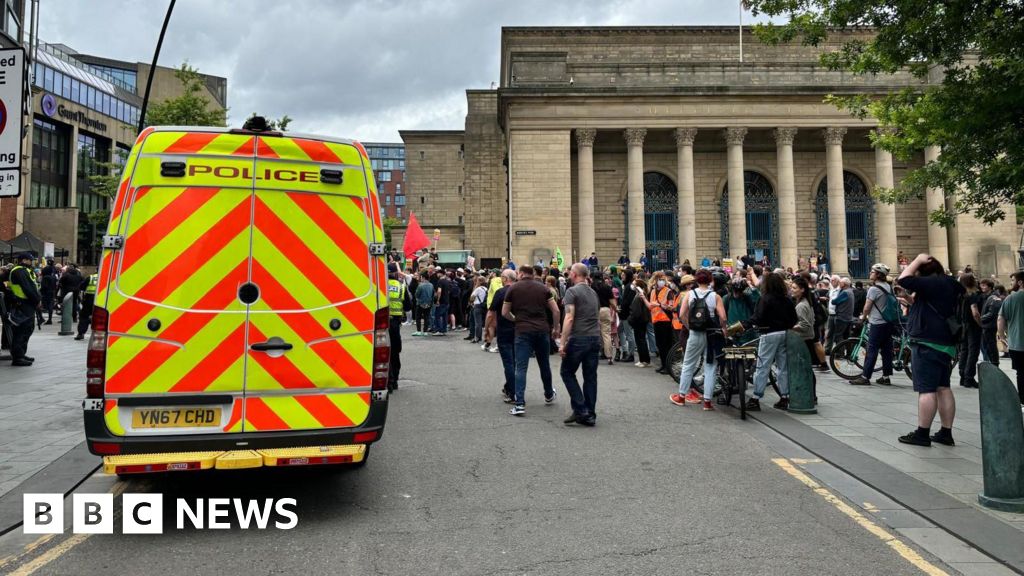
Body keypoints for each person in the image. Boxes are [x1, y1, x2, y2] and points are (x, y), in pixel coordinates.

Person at [898, 254, 964, 446]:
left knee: (926, 389)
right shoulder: (951, 283)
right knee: (943, 387)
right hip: (946, 343)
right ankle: (946, 432)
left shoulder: (931, 282)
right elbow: (936, 305)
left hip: (927, 342)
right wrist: (910, 300)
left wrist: (917, 260)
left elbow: (903, 279)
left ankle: (922, 433)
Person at [503, 265, 560, 416]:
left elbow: (505, 312)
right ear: (533, 274)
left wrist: (516, 320)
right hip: (542, 330)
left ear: (521, 274)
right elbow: (556, 310)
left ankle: (520, 403)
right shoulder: (543, 288)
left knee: (521, 368)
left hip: (523, 330)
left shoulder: (513, 289)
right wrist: (555, 328)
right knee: (544, 364)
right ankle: (548, 393)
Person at [737, 272, 797, 411]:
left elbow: (758, 317)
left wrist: (744, 325)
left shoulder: (765, 299)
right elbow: (794, 318)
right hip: (785, 333)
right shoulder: (786, 299)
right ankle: (784, 397)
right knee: (783, 367)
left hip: (769, 334)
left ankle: (756, 398)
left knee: (762, 366)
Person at [670, 269, 727, 410]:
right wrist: (722, 329)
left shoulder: (690, 294)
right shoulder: (715, 296)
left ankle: (681, 396)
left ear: (696, 280)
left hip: (695, 333)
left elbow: (682, 314)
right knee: (711, 366)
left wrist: (690, 327)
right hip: (712, 334)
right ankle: (707, 401)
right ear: (710, 281)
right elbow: (723, 317)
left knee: (689, 363)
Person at [559, 263, 601, 426]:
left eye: (570, 273)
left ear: (575, 275)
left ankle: (581, 409)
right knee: (590, 377)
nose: (569, 275)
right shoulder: (593, 293)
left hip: (579, 338)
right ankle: (588, 413)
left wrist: (562, 343)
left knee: (567, 372)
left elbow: (569, 318)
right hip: (594, 337)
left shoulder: (572, 291)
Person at [850, 264, 896, 386]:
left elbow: (867, 307)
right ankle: (886, 377)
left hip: (877, 323)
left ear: (878, 275)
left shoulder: (874, 289)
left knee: (872, 349)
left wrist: (863, 318)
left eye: (872, 272)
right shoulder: (888, 286)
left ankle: (865, 377)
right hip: (888, 322)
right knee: (886, 350)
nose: (870, 273)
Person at [488, 269, 518, 403]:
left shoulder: (501, 292)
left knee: (508, 363)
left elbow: (491, 313)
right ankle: (509, 387)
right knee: (516, 362)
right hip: (519, 330)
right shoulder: (520, 291)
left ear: (505, 279)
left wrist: (487, 330)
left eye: (502, 278)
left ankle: (512, 391)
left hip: (505, 330)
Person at [5, 253, 40, 366]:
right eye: (31, 260)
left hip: (26, 304)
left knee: (27, 329)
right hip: (23, 303)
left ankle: (21, 354)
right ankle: (17, 357)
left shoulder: (24, 271)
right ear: (24, 260)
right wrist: (37, 300)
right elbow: (28, 288)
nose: (32, 262)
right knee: (21, 331)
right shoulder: (20, 271)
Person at [998, 271, 1024, 410]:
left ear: (1020, 282)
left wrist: (1002, 338)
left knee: (1021, 373)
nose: (1011, 283)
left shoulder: (1011, 299)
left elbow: (1000, 319)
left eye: (1012, 280)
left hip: (1018, 343)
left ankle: (1023, 401)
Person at [386, 263, 411, 391]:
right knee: (395, 352)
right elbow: (408, 307)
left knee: (383, 353)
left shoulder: (379, 286)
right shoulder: (401, 287)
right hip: (395, 324)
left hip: (381, 323)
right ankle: (394, 380)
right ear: (396, 273)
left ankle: (387, 382)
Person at [957, 273, 984, 389]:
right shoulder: (972, 294)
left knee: (964, 350)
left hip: (963, 325)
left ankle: (963, 376)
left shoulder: (960, 294)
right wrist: (981, 324)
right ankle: (969, 378)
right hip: (973, 326)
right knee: (973, 352)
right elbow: (975, 312)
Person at [648, 272, 677, 374]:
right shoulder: (652, 291)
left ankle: (668, 366)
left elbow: (671, 306)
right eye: (659, 279)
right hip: (656, 320)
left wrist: (660, 305)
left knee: (666, 344)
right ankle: (663, 364)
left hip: (666, 320)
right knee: (659, 344)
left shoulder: (668, 291)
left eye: (662, 279)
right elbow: (650, 305)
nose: (661, 281)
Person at [592, 271, 616, 364]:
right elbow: (612, 302)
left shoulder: (591, 287)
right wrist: (616, 310)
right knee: (606, 334)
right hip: (605, 310)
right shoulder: (607, 287)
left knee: (595, 334)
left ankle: (595, 354)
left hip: (594, 311)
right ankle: (609, 357)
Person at [979, 280, 1003, 366]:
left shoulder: (994, 297)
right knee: (987, 347)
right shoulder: (986, 296)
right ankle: (991, 364)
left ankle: (994, 365)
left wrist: (979, 319)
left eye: (984, 285)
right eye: (981, 285)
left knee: (991, 347)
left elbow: (992, 314)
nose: (982, 287)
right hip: (986, 326)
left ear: (989, 287)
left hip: (989, 326)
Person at [828, 277, 855, 353]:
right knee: (846, 336)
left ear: (844, 284)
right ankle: (849, 353)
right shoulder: (850, 291)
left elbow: (834, 302)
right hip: (848, 317)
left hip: (842, 317)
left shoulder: (844, 292)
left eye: (840, 282)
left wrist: (832, 298)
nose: (839, 283)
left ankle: (840, 353)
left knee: (839, 336)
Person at [629, 279, 652, 367]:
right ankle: (642, 359)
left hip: (639, 321)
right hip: (641, 321)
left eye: (634, 284)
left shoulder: (639, 296)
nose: (633, 286)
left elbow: (636, 312)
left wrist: (631, 319)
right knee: (640, 341)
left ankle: (644, 360)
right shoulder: (640, 295)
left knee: (641, 341)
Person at [617, 268, 637, 363]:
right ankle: (625, 351)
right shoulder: (627, 286)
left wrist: (621, 307)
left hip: (626, 314)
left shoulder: (630, 287)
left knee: (629, 334)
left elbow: (628, 301)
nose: (622, 276)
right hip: (623, 314)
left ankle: (631, 354)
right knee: (619, 330)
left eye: (623, 275)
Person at [75, 271, 99, 340]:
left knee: (84, 316)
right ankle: (99, 335)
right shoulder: (107, 278)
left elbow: (82, 287)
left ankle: (81, 333)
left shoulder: (91, 277)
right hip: (102, 300)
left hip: (89, 299)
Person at [468, 276, 487, 344]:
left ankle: (477, 337)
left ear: (479, 281)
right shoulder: (485, 288)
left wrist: (471, 302)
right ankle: (479, 337)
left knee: (477, 323)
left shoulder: (478, 289)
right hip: (483, 306)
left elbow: (472, 297)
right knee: (480, 322)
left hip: (476, 305)